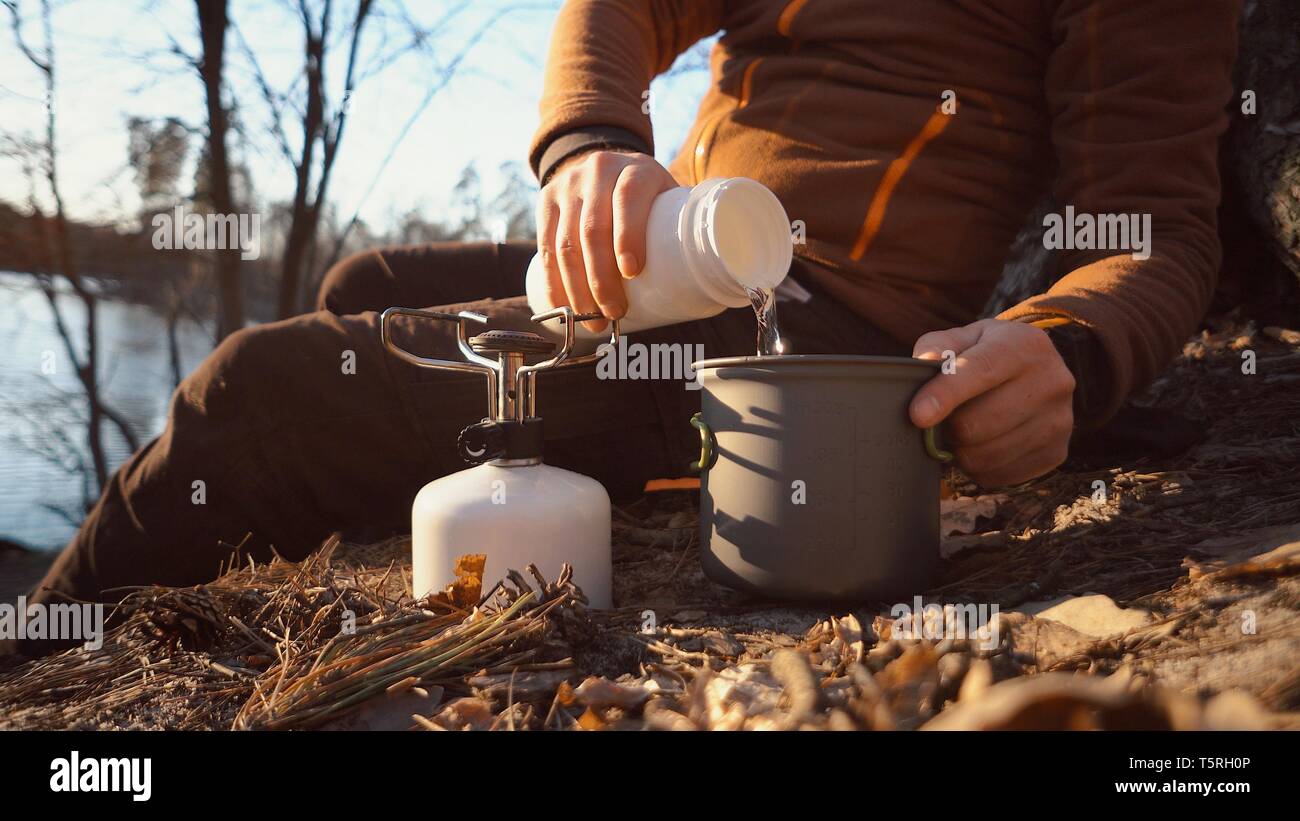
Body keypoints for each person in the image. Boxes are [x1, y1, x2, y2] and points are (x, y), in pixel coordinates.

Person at [12, 0, 1240, 654]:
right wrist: (594, 141)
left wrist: (1070, 344)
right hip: (687, 244)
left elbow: (1150, 226)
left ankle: (29, 657)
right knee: (362, 278)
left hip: (812, 338)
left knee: (255, 394)